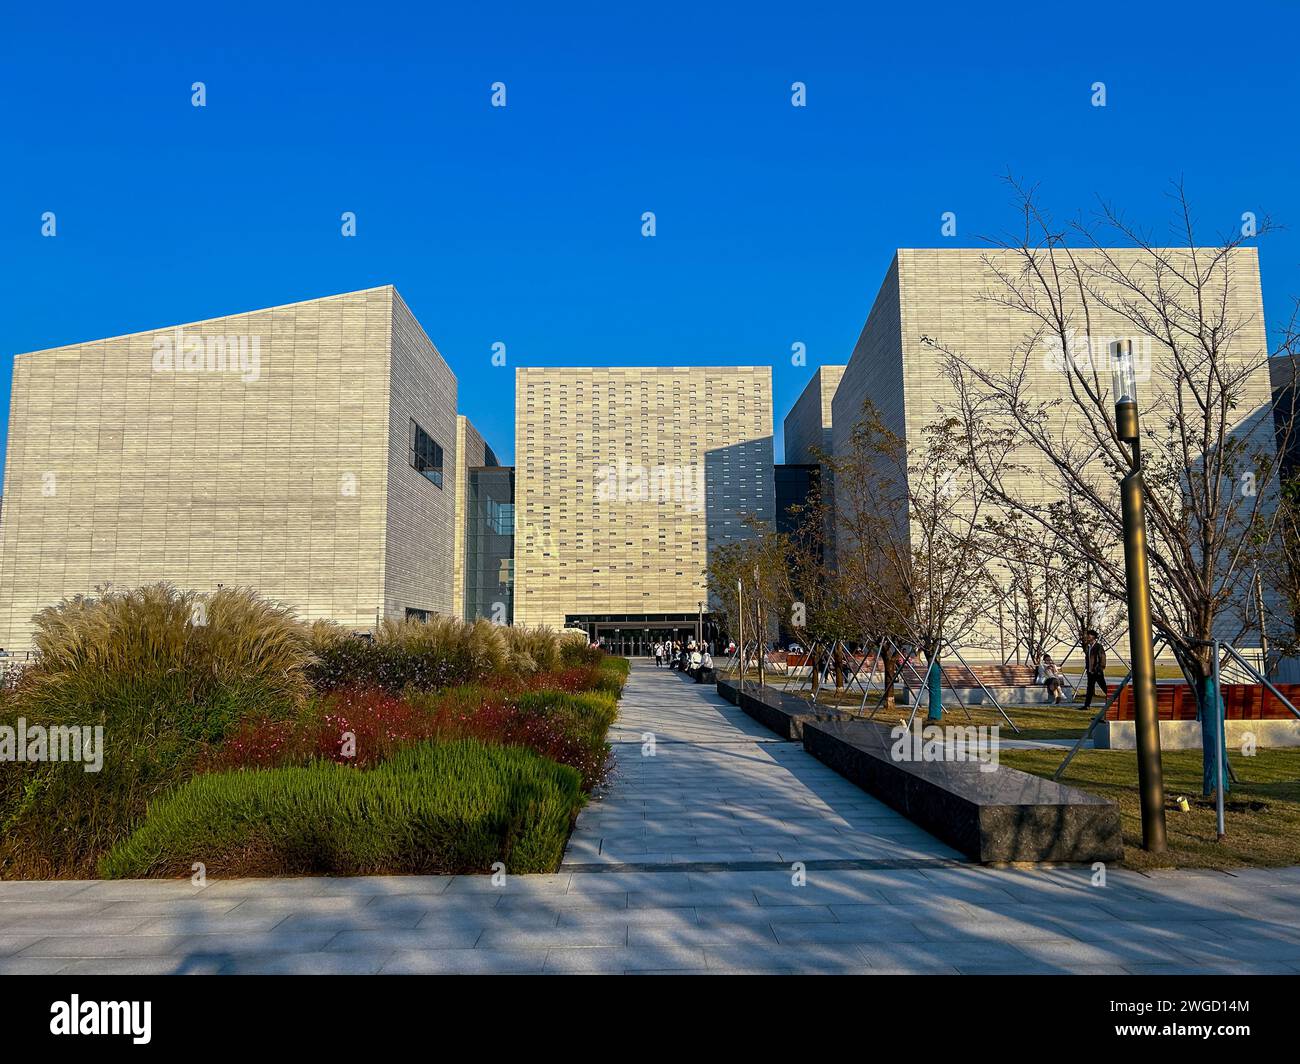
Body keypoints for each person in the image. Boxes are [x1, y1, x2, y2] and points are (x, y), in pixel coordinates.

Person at [1081, 630, 1108, 711]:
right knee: (1089, 689)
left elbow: (1102, 658)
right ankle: (1087, 705)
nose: (1087, 637)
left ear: (1093, 637)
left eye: (1089, 635)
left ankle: (1114, 699)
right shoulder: (1088, 647)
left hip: (1097, 672)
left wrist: (1100, 668)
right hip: (1090, 672)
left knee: (1104, 687)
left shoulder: (1098, 646)